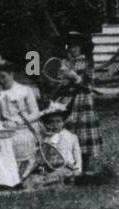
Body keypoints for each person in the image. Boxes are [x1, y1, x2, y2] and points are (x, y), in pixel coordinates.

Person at [56, 31, 104, 177]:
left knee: (83, 134)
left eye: (76, 46)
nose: (72, 49)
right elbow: (59, 82)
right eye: (70, 46)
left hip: (82, 100)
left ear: (82, 47)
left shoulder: (87, 62)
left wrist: (76, 78)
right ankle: (67, 164)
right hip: (67, 98)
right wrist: (64, 79)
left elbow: (89, 82)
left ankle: (83, 165)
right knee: (65, 131)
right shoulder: (64, 63)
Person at [0, 60, 42, 166]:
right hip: (7, 128)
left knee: (19, 140)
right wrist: (1, 124)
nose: (1, 81)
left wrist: (19, 122)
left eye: (3, 76)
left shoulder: (25, 90)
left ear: (11, 74)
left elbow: (35, 113)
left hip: (26, 126)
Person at [37, 102, 83, 178]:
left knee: (65, 174)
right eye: (52, 122)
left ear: (63, 122)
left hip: (69, 167)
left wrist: (78, 169)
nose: (55, 125)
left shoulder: (72, 137)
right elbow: (44, 155)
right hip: (52, 167)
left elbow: (77, 155)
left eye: (58, 121)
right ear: (48, 124)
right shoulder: (46, 138)